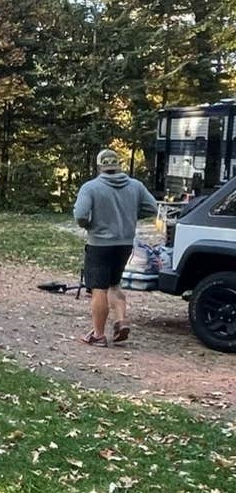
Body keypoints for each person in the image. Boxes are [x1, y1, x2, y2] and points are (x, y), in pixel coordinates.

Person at [73, 148, 157, 346]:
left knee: (98, 289)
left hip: (99, 245)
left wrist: (90, 226)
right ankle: (120, 320)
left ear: (100, 166)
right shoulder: (135, 186)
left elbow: (81, 215)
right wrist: (132, 217)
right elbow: (152, 208)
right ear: (118, 164)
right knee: (114, 284)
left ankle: (98, 335)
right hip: (125, 244)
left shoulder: (90, 187)